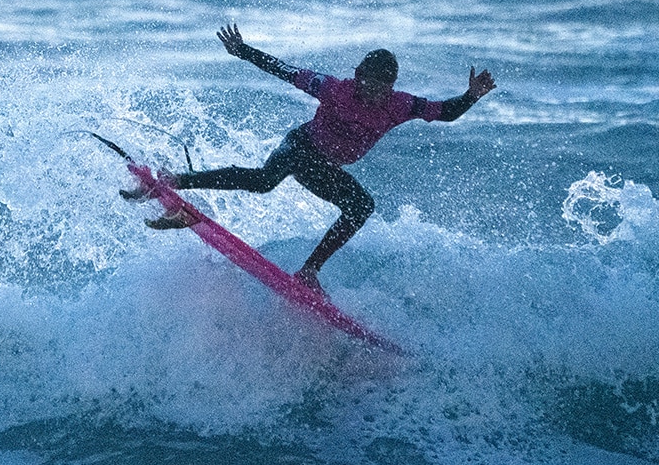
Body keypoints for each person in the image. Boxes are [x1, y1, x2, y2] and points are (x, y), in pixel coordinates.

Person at [129, 24, 496, 294]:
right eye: (367, 83)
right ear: (357, 76)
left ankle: (308, 272)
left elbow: (445, 112)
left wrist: (472, 96)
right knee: (264, 180)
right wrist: (244, 51)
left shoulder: (401, 105)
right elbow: (283, 69)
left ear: (391, 87)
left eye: (381, 88)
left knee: (360, 206)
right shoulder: (333, 88)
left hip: (324, 168)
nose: (372, 92)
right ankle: (178, 180)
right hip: (301, 147)